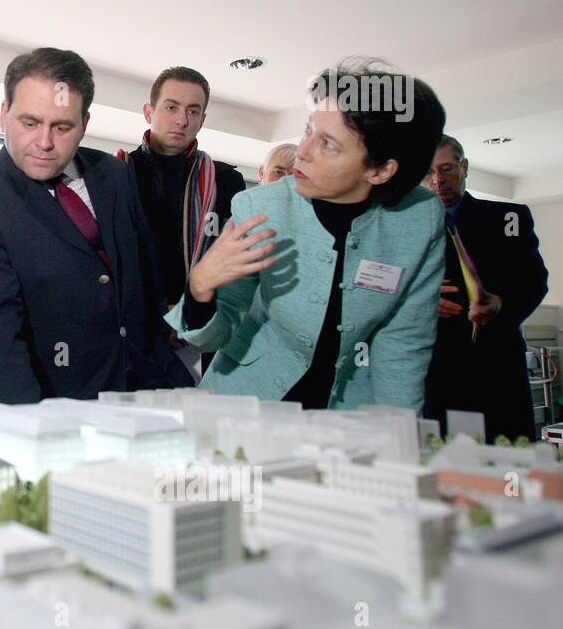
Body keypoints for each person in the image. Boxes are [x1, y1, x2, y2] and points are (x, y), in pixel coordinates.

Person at [166, 58, 447, 410]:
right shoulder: (260, 207)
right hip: (246, 401)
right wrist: (199, 288)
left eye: (327, 144)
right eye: (308, 130)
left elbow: (404, 342)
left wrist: (399, 432)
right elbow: (212, 337)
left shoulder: (420, 217)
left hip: (348, 411)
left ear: (380, 170)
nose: (302, 152)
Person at [0, 48, 191, 405]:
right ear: (4, 115)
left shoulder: (115, 175)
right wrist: (39, 432)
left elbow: (147, 285)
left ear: (84, 124)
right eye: (30, 123)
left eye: (62, 127)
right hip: (62, 411)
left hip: (158, 389)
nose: (44, 142)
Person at [119, 66, 247, 380]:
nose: (182, 120)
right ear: (149, 112)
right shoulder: (119, 173)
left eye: (193, 111)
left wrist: (190, 315)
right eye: (171, 107)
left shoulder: (226, 181)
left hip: (202, 326)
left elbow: (230, 262)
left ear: (202, 119)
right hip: (132, 326)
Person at [422, 136, 548, 442]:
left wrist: (501, 303)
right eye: (427, 172)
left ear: (464, 167)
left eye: (447, 168)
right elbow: (379, 288)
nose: (438, 180)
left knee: (508, 457)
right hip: (434, 369)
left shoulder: (509, 218)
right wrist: (420, 301)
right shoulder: (399, 227)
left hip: (495, 364)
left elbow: (534, 281)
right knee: (442, 459)